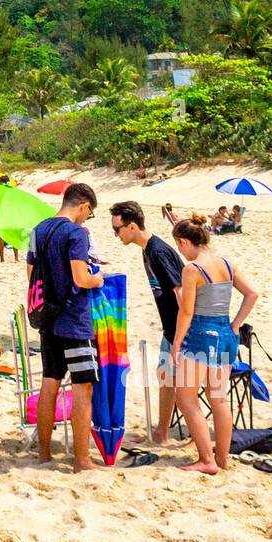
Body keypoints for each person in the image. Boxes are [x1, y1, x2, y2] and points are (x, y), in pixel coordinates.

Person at [170, 218, 260, 474]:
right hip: (225, 335)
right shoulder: (227, 263)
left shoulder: (193, 269)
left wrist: (176, 344)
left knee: (185, 397)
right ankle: (222, 459)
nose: (181, 253)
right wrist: (235, 324)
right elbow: (252, 293)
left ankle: (206, 460)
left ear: (185, 242)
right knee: (219, 399)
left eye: (179, 247)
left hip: (200, 334)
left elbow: (186, 311)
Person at [26, 182, 104, 472]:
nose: (87, 218)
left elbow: (31, 274)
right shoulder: (76, 233)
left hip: (47, 318)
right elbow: (81, 278)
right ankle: (82, 461)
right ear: (83, 205)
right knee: (83, 386)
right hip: (74, 320)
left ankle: (44, 454)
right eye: (89, 213)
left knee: (50, 381)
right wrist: (98, 279)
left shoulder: (40, 229)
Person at [110, 199, 183, 445]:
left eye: (117, 229)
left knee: (181, 385)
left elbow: (181, 292)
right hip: (170, 328)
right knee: (165, 377)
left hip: (181, 329)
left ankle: (184, 436)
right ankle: (161, 432)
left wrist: (182, 336)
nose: (115, 235)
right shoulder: (147, 249)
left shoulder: (158, 251)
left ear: (132, 227)